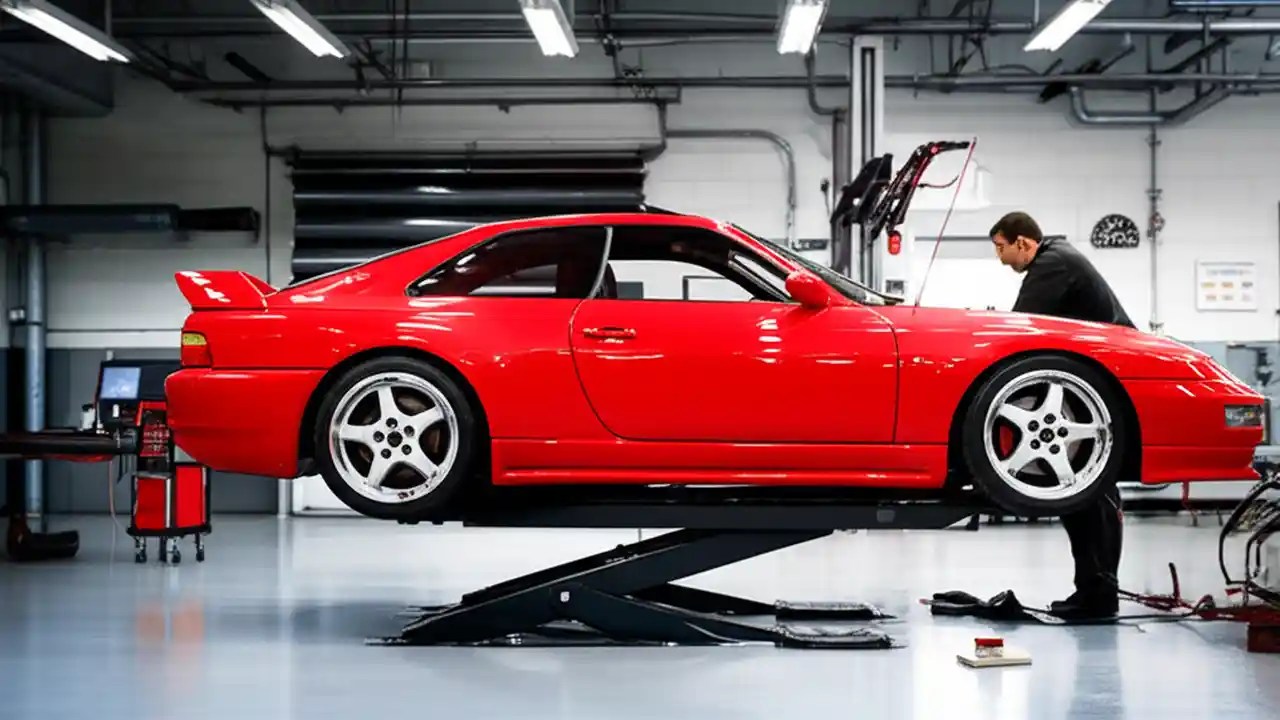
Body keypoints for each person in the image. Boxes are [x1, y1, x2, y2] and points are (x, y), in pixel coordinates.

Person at [990, 210, 1129, 619]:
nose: (1000, 259)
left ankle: (1100, 596)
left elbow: (1020, 328)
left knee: (1092, 494)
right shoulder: (1058, 258)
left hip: (1103, 388)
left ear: (1023, 243)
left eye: (1001, 248)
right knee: (1080, 496)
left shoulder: (1052, 263)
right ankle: (1091, 593)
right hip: (1095, 388)